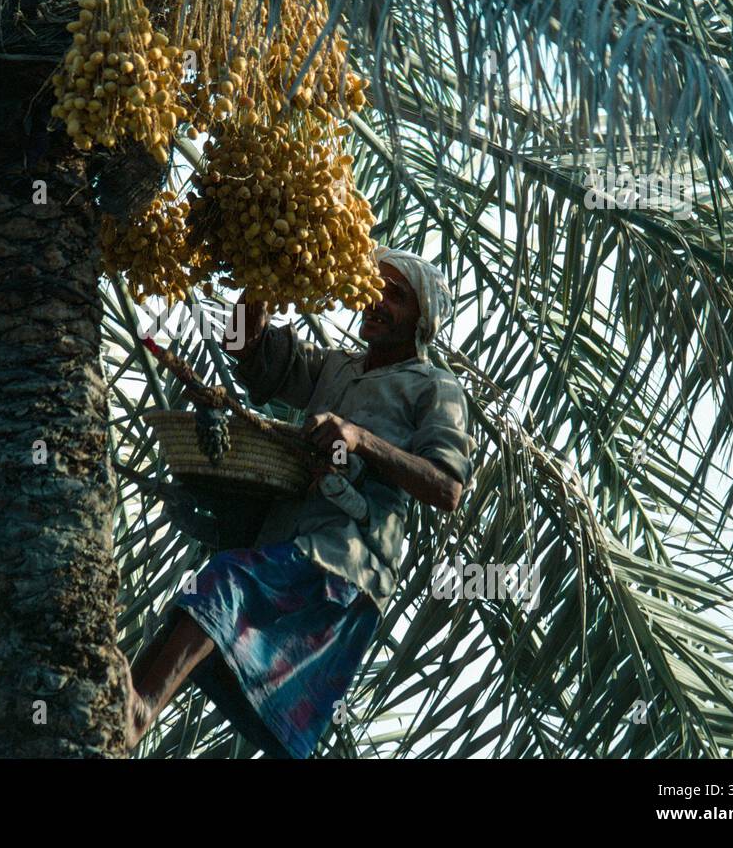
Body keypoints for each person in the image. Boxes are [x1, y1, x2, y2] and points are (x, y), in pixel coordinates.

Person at [124, 245, 477, 757]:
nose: (377, 301)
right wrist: (268, 275)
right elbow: (244, 345)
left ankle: (137, 710)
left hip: (342, 564)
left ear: (424, 321)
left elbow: (446, 488)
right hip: (288, 545)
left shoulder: (435, 387)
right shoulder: (336, 369)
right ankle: (114, 723)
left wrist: (360, 439)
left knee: (222, 585)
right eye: (374, 287)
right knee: (187, 620)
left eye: (396, 297)